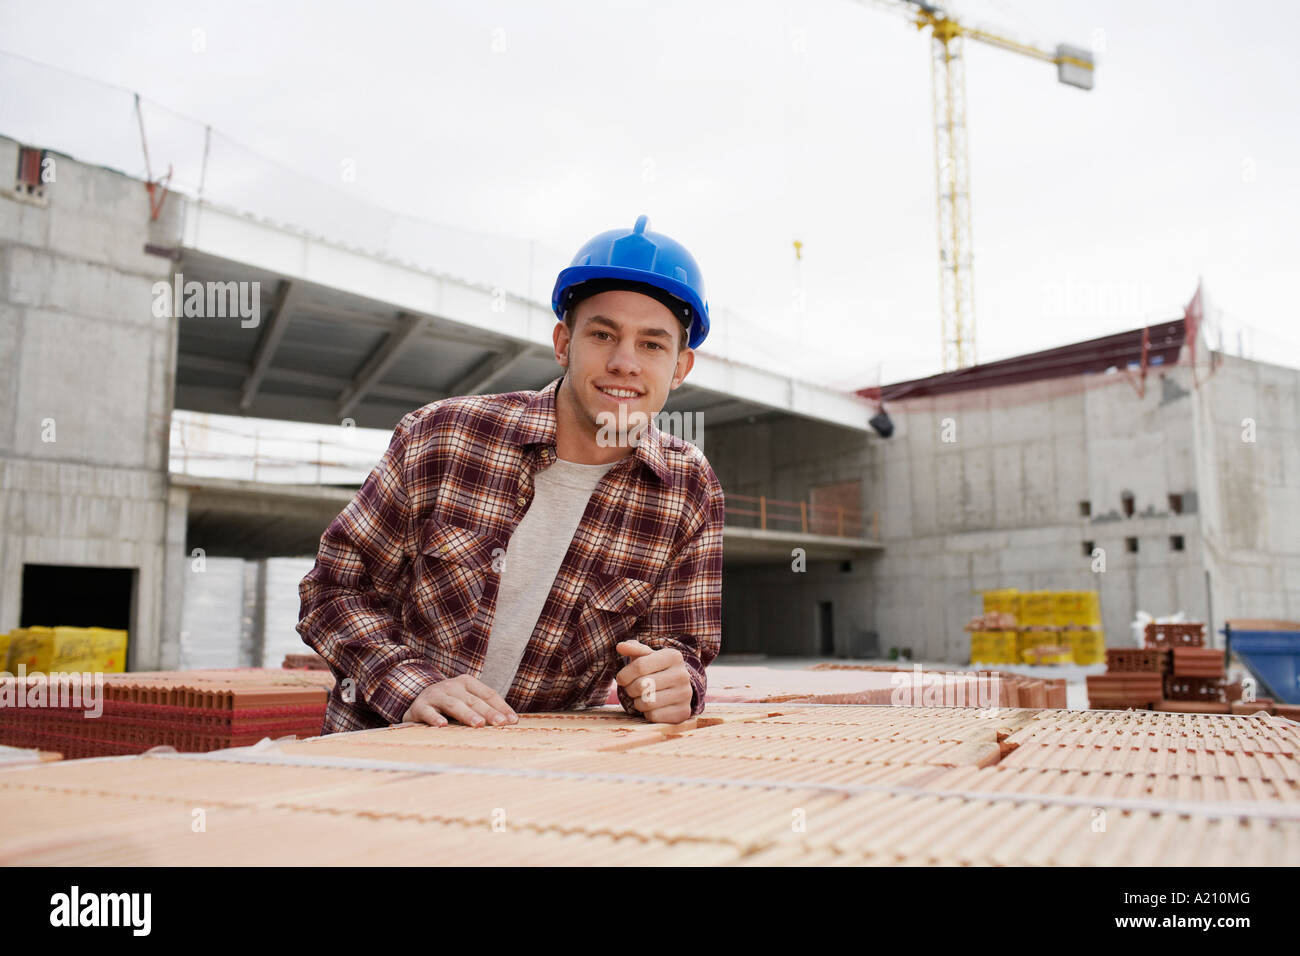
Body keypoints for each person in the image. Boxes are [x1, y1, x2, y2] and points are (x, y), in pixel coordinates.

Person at [297, 215, 724, 732]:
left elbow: (680, 649)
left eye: (653, 344)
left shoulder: (688, 489)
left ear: (681, 368)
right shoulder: (443, 436)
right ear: (564, 343)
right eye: (603, 334)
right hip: (380, 753)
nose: (624, 362)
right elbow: (333, 591)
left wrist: (675, 685)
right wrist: (412, 684)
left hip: (539, 777)